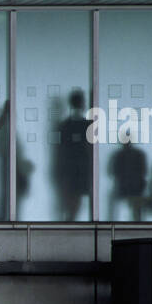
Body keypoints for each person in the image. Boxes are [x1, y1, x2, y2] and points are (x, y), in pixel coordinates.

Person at [54, 90, 91, 221]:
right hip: (75, 169)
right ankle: (69, 222)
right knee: (73, 200)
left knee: (72, 200)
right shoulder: (84, 125)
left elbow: (61, 149)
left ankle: (69, 221)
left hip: (72, 169)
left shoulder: (66, 125)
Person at [107, 130, 147, 220]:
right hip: (129, 187)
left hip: (132, 188)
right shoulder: (136, 154)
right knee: (112, 200)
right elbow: (112, 171)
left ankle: (112, 220)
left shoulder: (120, 155)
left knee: (113, 200)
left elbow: (112, 172)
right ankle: (136, 220)